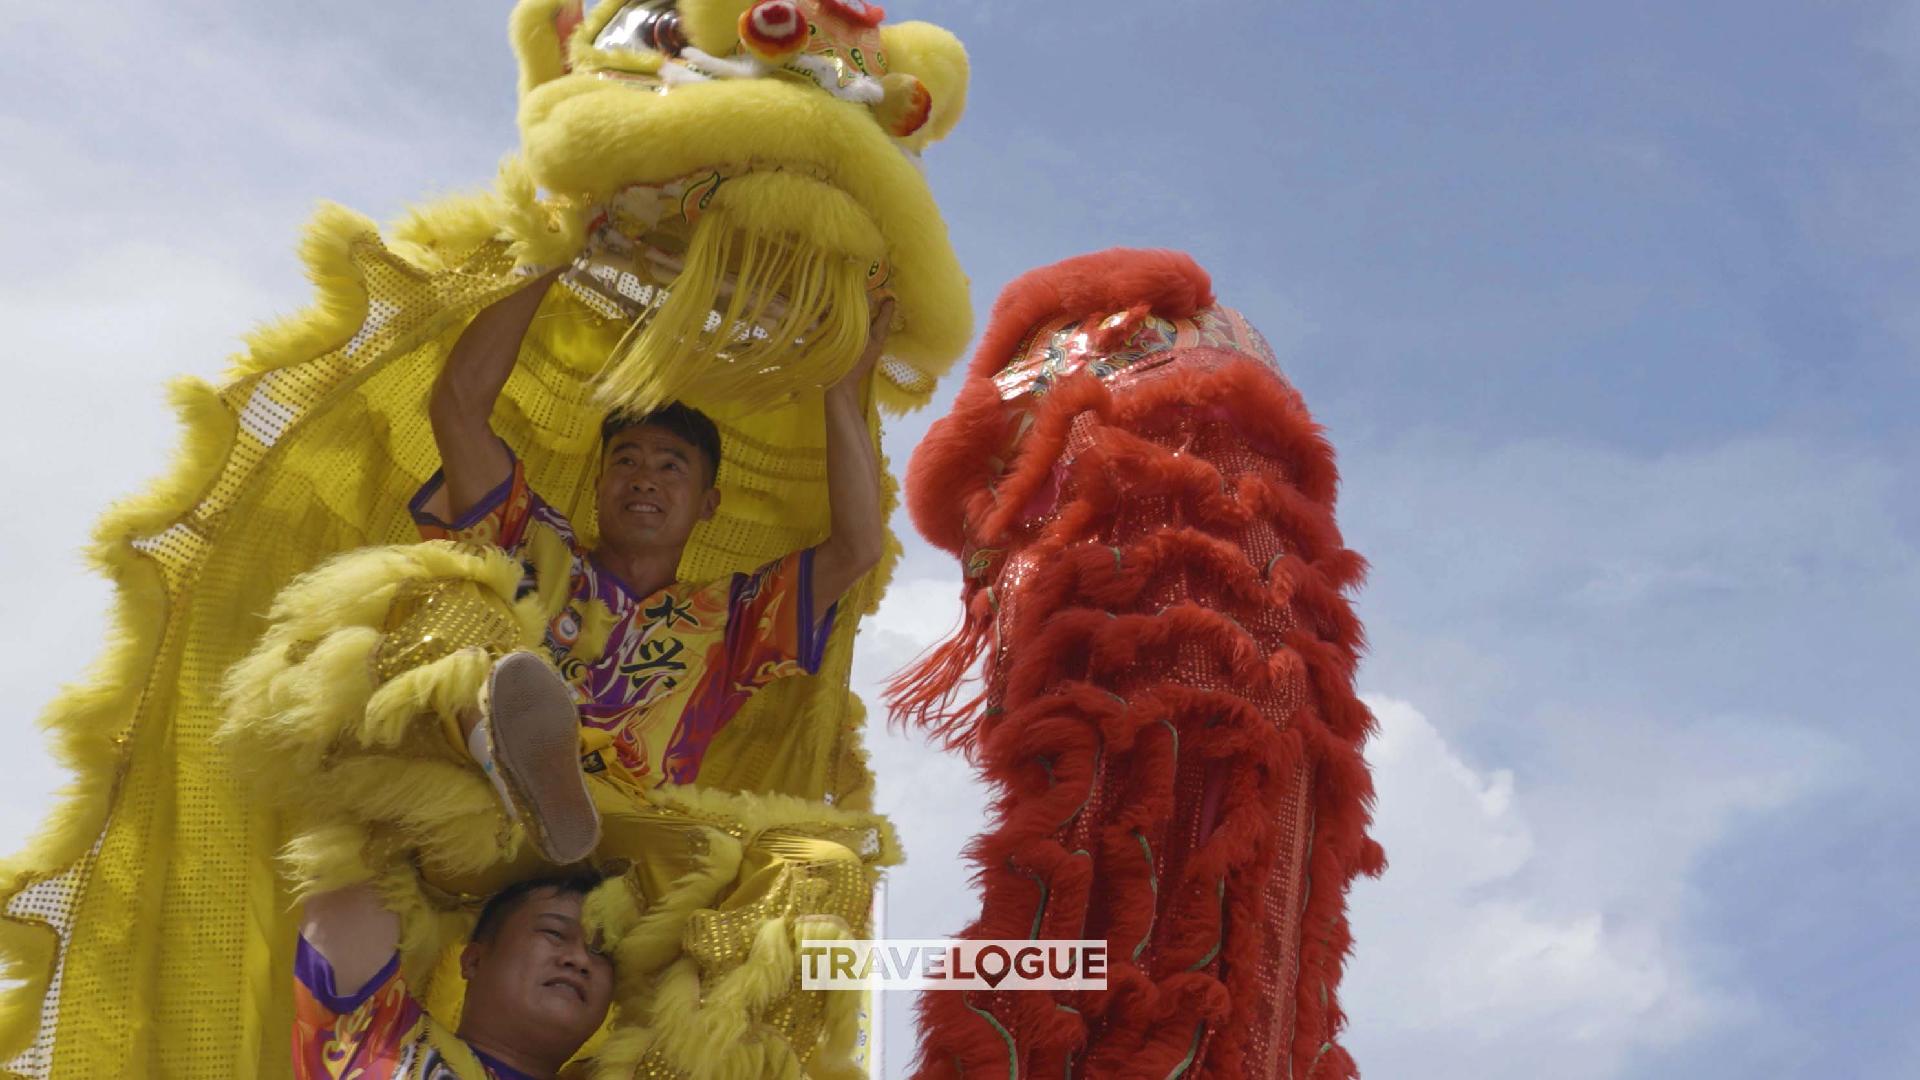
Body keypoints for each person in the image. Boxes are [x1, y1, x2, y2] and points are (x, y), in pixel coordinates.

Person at [409, 271, 891, 862]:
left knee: (824, 865)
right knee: (422, 655)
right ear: (600, 484)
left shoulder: (734, 620)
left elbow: (858, 548)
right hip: (480, 816)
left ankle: (552, 797)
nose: (644, 478)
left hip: (623, 852)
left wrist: (841, 391)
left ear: (707, 504)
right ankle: (523, 778)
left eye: (671, 467)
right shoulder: (533, 543)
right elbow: (457, 409)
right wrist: (551, 256)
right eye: (627, 460)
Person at [294, 872, 613, 1080]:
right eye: (555, 933)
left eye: (602, 951)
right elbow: (359, 860)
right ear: (474, 959)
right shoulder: (383, 1040)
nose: (579, 959)